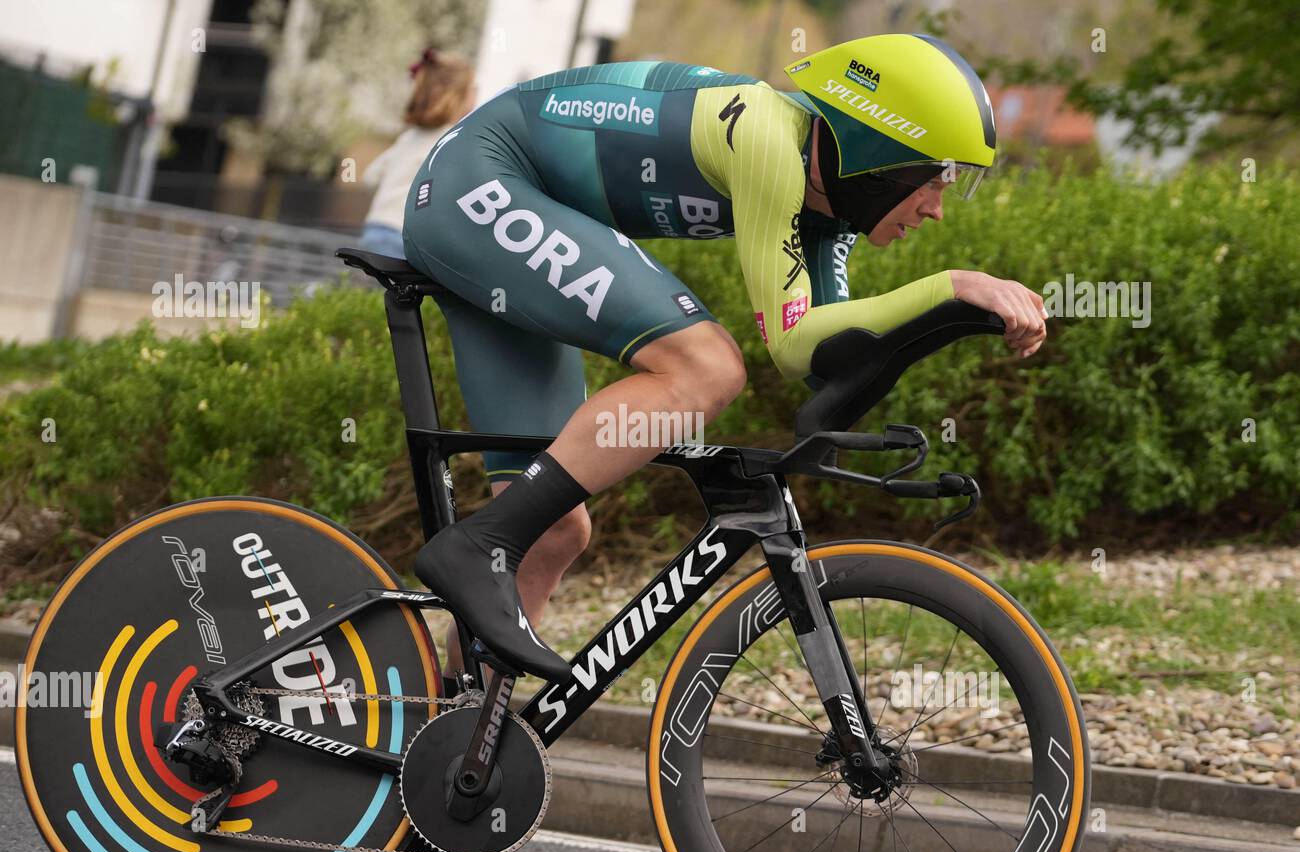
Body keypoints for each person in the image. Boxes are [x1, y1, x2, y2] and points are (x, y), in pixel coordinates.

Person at [402, 35, 1048, 684]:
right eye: (934, 180)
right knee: (706, 366)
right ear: (883, 156)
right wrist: (951, 287)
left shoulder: (827, 211)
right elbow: (791, 341)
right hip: (480, 179)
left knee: (552, 533)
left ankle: (451, 743)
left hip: (507, 210)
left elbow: (819, 357)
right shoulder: (768, 136)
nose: (936, 209)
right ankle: (480, 544)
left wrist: (953, 318)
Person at [359, 48, 476, 259]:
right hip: (403, 234)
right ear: (455, 96)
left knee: (377, 290)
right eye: (472, 90)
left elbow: (370, 177)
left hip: (374, 228)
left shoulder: (408, 138)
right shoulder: (451, 140)